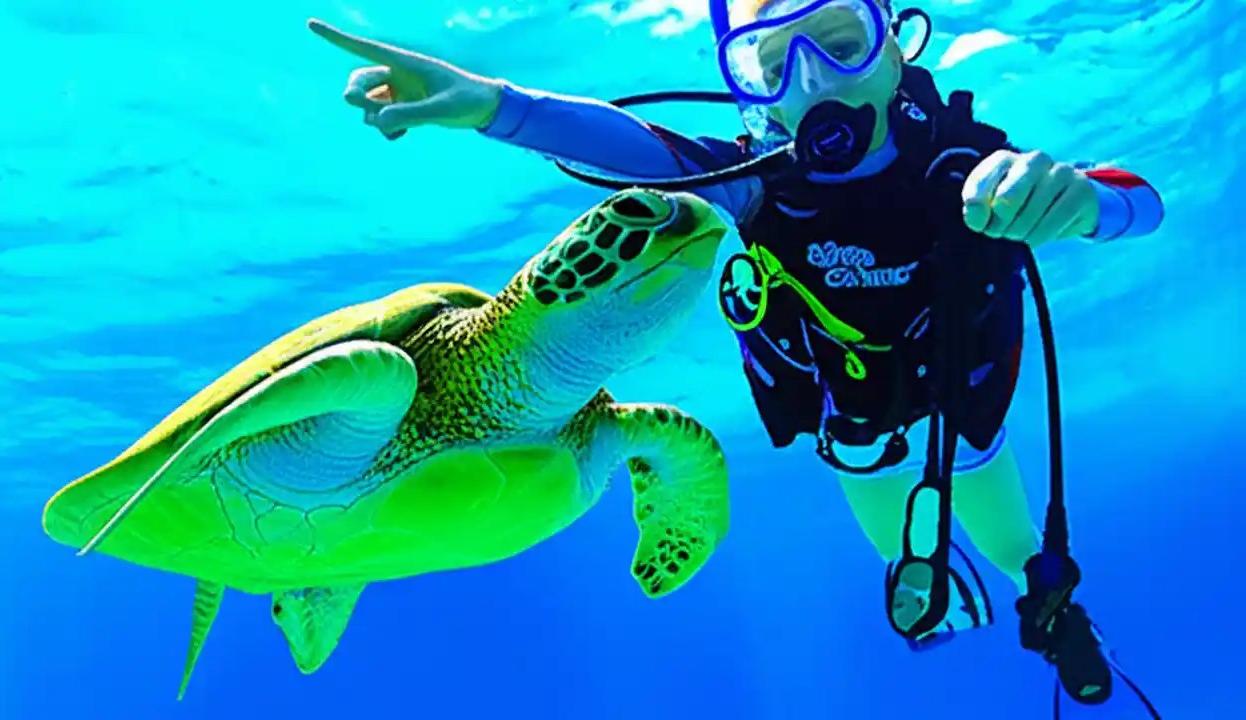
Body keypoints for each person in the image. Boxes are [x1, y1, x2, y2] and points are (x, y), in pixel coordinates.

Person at [306, 0, 1164, 712]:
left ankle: (1048, 611)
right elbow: (628, 147)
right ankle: (930, 578)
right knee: (898, 545)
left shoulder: (972, 168)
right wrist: (489, 104)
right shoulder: (758, 186)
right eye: (770, 65)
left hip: (964, 411)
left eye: (837, 44)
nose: (815, 84)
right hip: (854, 429)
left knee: (1018, 550)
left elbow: (1143, 203)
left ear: (897, 45)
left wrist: (1075, 198)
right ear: (749, 93)